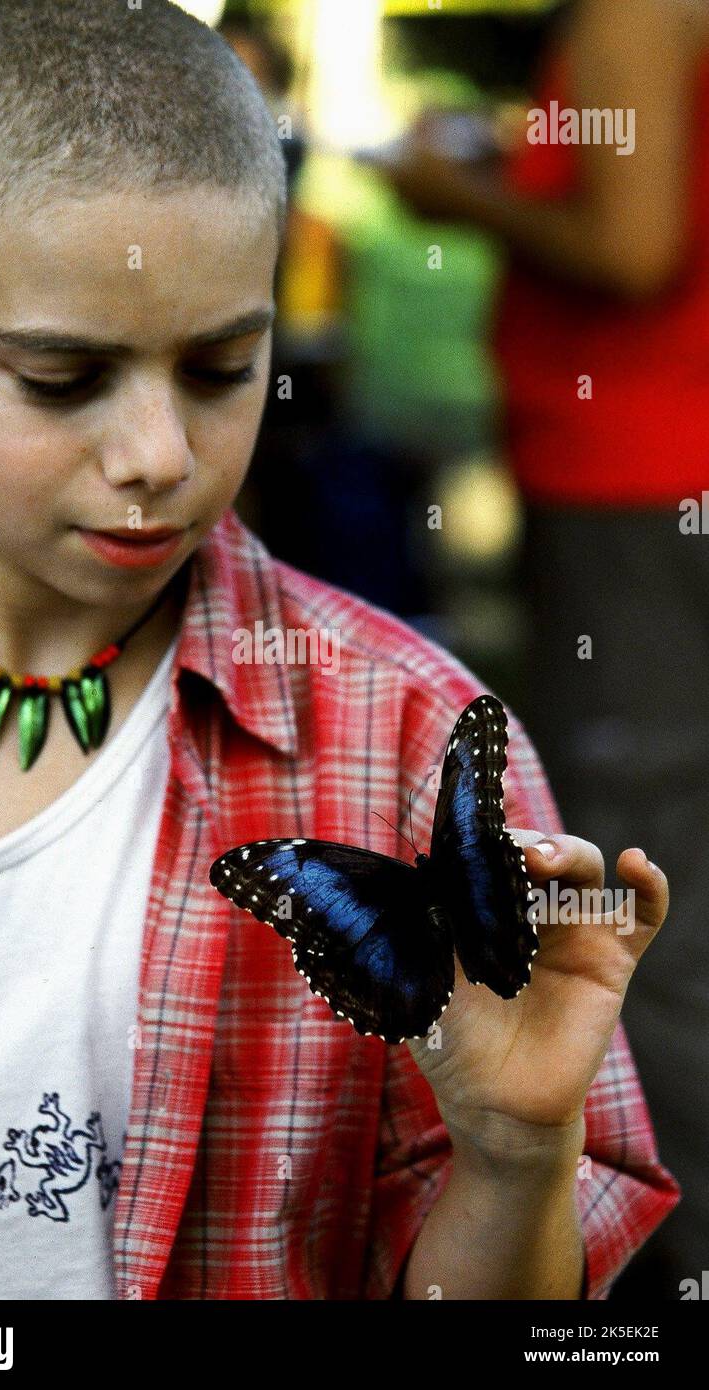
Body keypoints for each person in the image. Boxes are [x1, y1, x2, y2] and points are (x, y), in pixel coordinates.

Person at [0, 0, 678, 1302]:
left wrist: (516, 1152)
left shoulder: (408, 734)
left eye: (221, 367)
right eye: (64, 377)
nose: (159, 457)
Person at [362, 0, 709, 1296]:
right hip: (650, 485)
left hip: (636, 487)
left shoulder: (634, 11)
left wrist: (455, 190)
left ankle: (667, 1265)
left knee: (640, 890)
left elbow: (632, 246)